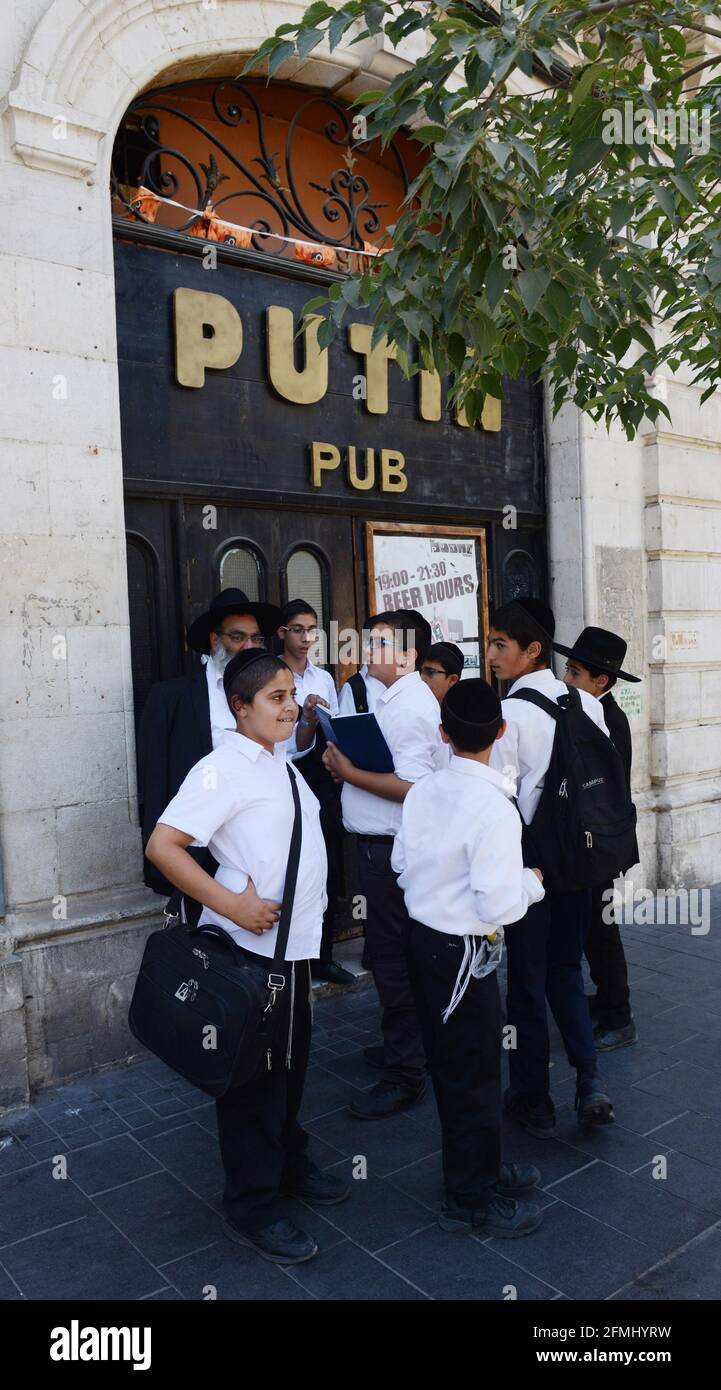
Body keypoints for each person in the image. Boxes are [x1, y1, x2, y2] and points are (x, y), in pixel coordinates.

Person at [146, 649, 350, 1266]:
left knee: (288, 1068)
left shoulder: (280, 763)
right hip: (249, 953)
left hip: (292, 953)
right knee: (251, 1083)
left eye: (292, 695)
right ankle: (252, 1203)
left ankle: (288, 1160)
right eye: (276, 698)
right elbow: (165, 845)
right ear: (241, 707)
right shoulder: (222, 767)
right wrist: (232, 906)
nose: (291, 707)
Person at [392, 678, 545, 1237]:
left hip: (425, 940)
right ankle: (470, 1197)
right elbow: (500, 903)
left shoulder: (423, 790)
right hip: (462, 950)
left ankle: (481, 1168)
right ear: (500, 732)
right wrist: (532, 882)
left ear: (442, 733)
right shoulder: (495, 808)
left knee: (457, 1064)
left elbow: (401, 868)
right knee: (472, 1072)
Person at [487, 597, 615, 1138]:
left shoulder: (510, 715)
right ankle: (588, 1081)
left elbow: (495, 799)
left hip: (531, 865)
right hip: (580, 862)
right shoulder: (586, 703)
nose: (491, 656)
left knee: (526, 983)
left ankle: (533, 1098)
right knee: (566, 971)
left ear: (531, 649)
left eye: (500, 645)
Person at [323, 610, 443, 1119]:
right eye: (368, 643)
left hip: (392, 852)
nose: (369, 652)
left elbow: (414, 790)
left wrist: (347, 770)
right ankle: (408, 1050)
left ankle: (405, 1074)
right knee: (395, 960)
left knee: (393, 965)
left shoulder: (410, 706)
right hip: (379, 849)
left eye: (381, 645)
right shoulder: (390, 698)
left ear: (411, 656)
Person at [137, 587, 281, 912]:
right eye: (238, 637)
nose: (248, 647)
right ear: (216, 640)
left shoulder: (274, 696)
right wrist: (164, 866)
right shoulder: (169, 698)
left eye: (256, 639)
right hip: (198, 849)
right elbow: (156, 779)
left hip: (258, 846)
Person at [555, 626, 641, 1050]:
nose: (566, 679)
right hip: (593, 844)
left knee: (601, 932)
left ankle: (618, 1015)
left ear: (600, 681)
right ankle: (607, 1000)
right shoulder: (588, 712)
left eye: (574, 672)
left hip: (598, 844)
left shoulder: (606, 719)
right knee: (593, 928)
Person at [277, 598, 354, 985]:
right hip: (283, 777)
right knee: (289, 865)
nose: (306, 638)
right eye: (297, 629)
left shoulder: (324, 678)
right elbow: (287, 745)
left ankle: (322, 956)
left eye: (312, 630)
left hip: (321, 781)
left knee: (326, 865)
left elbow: (333, 729)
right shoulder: (272, 676)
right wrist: (303, 717)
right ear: (282, 633)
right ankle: (287, 959)